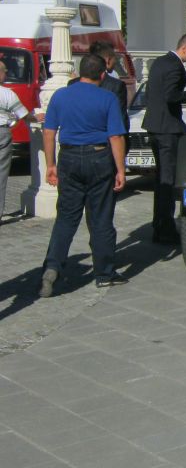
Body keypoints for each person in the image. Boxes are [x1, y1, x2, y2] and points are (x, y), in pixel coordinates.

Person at [38, 53, 127, 296]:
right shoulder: (107, 98)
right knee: (100, 217)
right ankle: (105, 273)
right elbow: (115, 136)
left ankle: (53, 266)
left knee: (66, 217)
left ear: (79, 72)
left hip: (68, 156)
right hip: (99, 157)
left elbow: (48, 131)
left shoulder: (61, 95)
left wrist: (51, 164)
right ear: (102, 74)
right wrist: (120, 169)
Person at [143, 33, 186, 244]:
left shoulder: (159, 62)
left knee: (160, 179)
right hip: (167, 129)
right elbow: (170, 95)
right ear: (185, 48)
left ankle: (159, 223)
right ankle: (165, 228)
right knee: (167, 180)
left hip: (155, 126)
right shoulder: (175, 66)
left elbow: (152, 93)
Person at [1, 61, 43, 221]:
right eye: (5, 71)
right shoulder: (7, 94)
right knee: (1, 173)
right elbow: (23, 115)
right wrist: (35, 117)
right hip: (2, 132)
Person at [70, 42, 129, 136]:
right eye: (115, 58)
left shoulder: (72, 84)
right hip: (104, 141)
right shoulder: (117, 85)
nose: (115, 62)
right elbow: (120, 120)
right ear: (108, 60)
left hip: (75, 140)